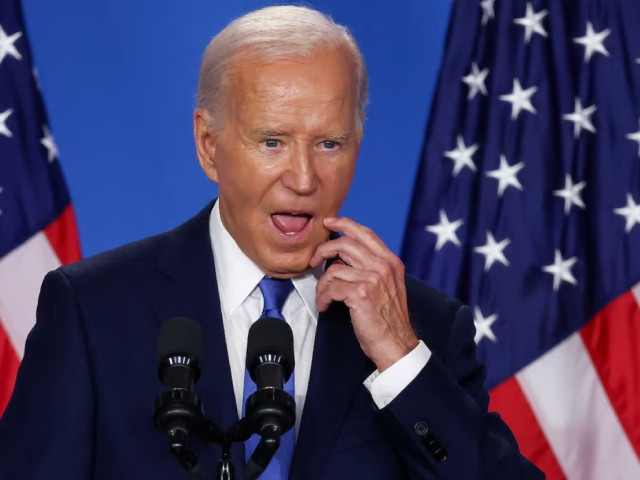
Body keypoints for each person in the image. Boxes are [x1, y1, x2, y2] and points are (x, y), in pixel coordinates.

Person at [0, 5, 544, 479]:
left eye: (330, 142)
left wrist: (400, 361)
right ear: (209, 146)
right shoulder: (94, 312)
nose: (304, 178)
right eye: (272, 141)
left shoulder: (425, 331)